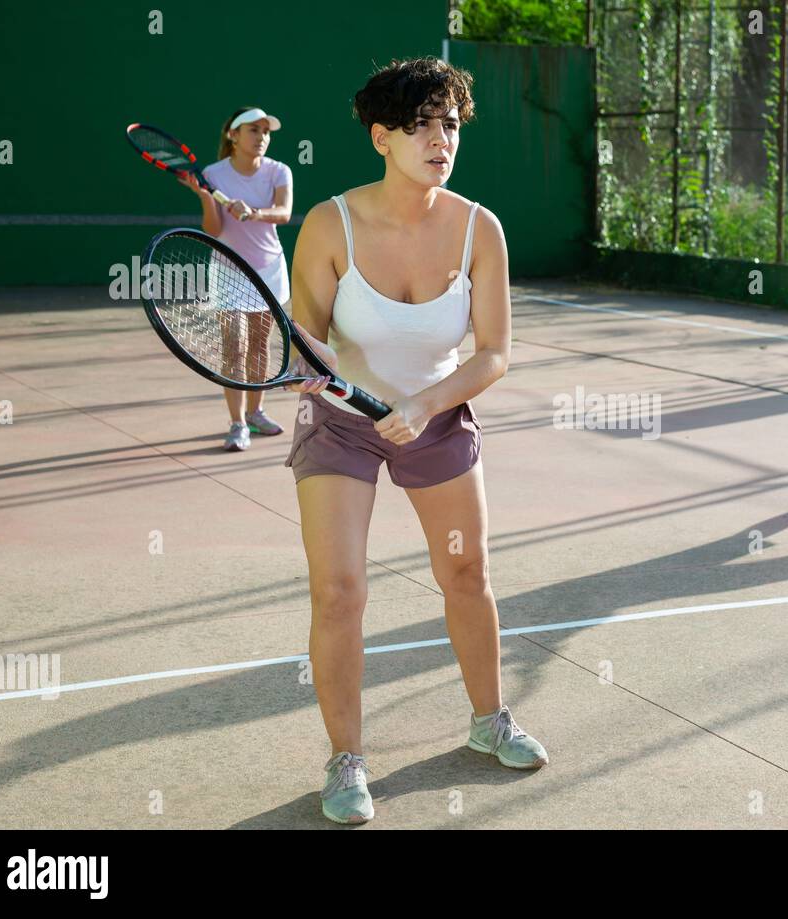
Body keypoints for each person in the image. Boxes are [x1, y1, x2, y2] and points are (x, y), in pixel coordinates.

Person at [284, 58, 547, 825]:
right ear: (380, 137)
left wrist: (428, 403)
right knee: (340, 590)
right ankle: (346, 760)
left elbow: (494, 351)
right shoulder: (330, 223)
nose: (441, 139)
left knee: (467, 572)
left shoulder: (479, 228)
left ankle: (489, 718)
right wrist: (314, 368)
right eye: (422, 124)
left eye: (451, 124)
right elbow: (305, 333)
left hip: (438, 416)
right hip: (341, 426)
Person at [177, 106, 294, 451]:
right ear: (234, 135)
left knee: (260, 344)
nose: (262, 138)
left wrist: (254, 212)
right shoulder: (213, 175)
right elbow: (213, 229)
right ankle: (237, 423)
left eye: (266, 131)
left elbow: (284, 213)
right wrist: (203, 196)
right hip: (229, 271)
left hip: (270, 269)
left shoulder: (279, 171)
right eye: (253, 130)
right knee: (234, 346)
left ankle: (257, 412)